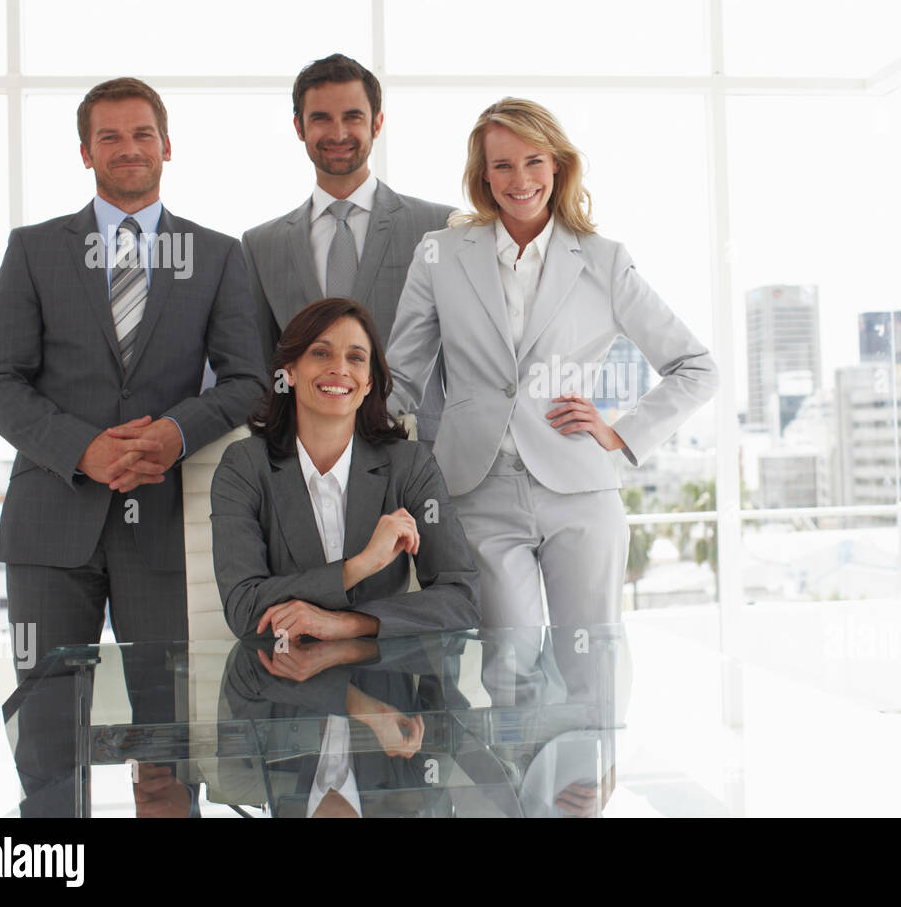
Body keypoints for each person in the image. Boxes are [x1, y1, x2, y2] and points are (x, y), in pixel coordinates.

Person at [0, 76, 267, 815]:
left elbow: (250, 382)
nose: (128, 149)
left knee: (169, 734)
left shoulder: (218, 254)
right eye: (110, 137)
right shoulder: (34, 250)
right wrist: (82, 450)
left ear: (167, 146)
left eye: (142, 135)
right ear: (85, 152)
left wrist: (174, 432)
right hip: (50, 523)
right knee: (47, 733)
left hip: (165, 527)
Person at [384, 97, 717, 687]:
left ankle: (591, 780)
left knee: (591, 663)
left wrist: (622, 433)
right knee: (508, 669)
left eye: (534, 161)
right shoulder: (439, 256)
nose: (520, 180)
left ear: (558, 167)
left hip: (580, 489)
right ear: (482, 174)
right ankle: (525, 783)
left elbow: (696, 365)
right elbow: (401, 380)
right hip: (476, 489)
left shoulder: (603, 261)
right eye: (503, 164)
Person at [210, 298, 480, 642]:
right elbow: (245, 610)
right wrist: (360, 566)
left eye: (355, 358)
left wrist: (351, 624)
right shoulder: (244, 466)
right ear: (289, 372)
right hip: (284, 681)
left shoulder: (410, 465)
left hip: (385, 681)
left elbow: (462, 599)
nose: (340, 368)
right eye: (321, 353)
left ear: (368, 382)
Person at [242, 53, 454, 442]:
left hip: (418, 450)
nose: (338, 133)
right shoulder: (261, 245)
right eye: (320, 118)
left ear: (377, 123)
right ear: (298, 127)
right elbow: (266, 371)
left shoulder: (437, 228)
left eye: (353, 117)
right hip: (306, 456)